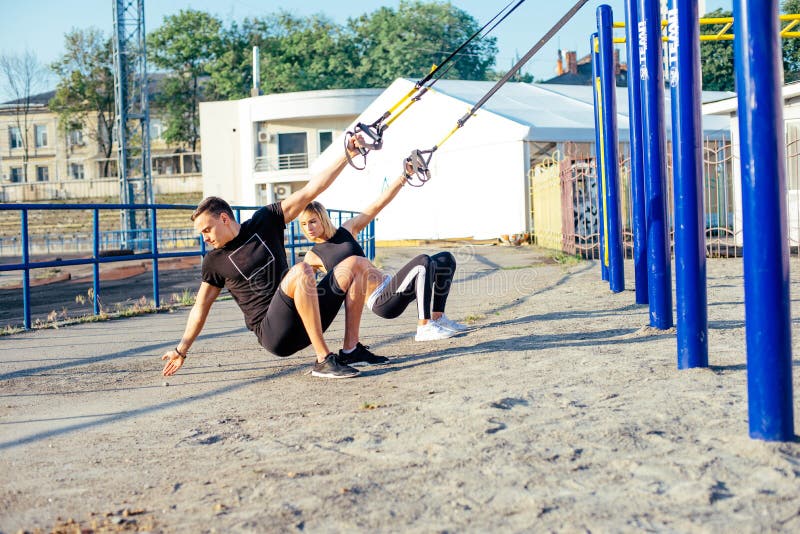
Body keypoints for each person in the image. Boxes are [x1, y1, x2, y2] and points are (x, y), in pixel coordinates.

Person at [160, 137, 374, 379]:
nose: (205, 238)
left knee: (356, 264)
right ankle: (323, 360)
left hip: (306, 315)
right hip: (275, 333)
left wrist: (348, 155)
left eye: (206, 230)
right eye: (202, 234)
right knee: (301, 270)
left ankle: (351, 349)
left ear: (224, 218)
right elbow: (200, 307)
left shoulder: (265, 220)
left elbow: (311, 190)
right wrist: (181, 350)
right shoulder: (214, 262)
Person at [299, 159, 470, 367]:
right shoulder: (312, 256)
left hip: (390, 285)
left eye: (313, 221)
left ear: (323, 218)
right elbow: (305, 292)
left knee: (445, 259)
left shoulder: (347, 230)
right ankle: (424, 326)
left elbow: (378, 204)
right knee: (422, 261)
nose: (308, 228)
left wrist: (404, 177)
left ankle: (437, 317)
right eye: (304, 224)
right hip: (380, 301)